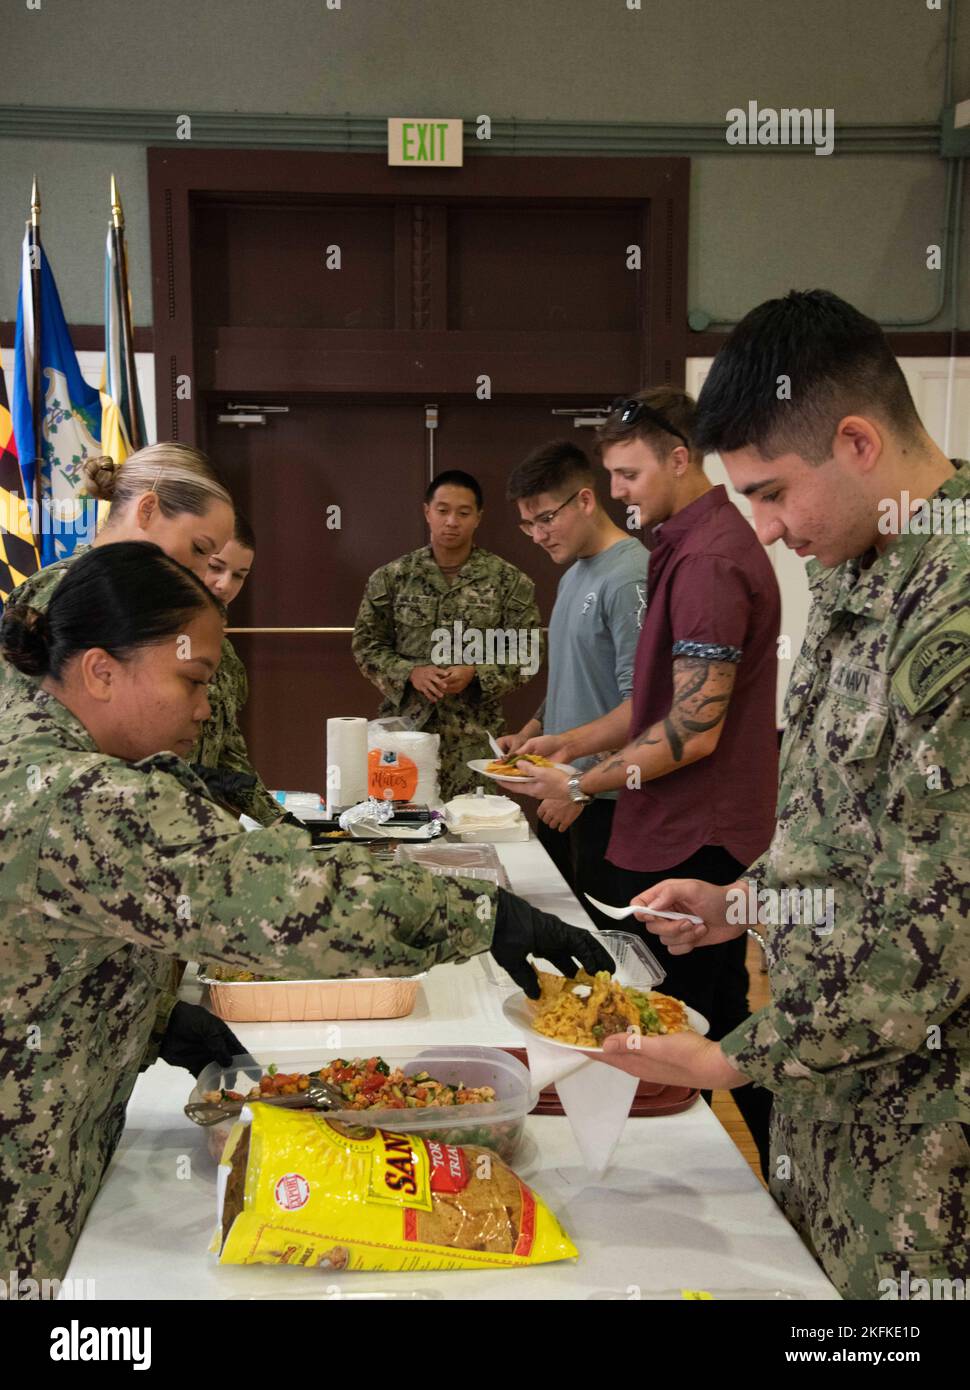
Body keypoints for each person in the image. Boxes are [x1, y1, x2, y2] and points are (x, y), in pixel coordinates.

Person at [0, 542, 610, 1282]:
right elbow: (293, 904)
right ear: (100, 670)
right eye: (191, 680)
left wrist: (150, 1015)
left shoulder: (35, 742)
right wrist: (486, 914)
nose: (202, 708)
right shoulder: (78, 796)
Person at [594, 290, 969, 1300]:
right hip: (830, 1109)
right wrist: (742, 904)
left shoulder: (954, 616)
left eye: (768, 492)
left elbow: (935, 934)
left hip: (925, 1145)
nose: (759, 529)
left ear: (854, 441)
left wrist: (730, 1054)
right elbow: (841, 829)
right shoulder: (860, 574)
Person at [511, 387, 780, 1174]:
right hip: (668, 821)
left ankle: (755, 1175)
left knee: (708, 1017)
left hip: (693, 831)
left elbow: (692, 731)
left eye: (629, 474)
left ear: (678, 457)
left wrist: (585, 785)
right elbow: (652, 706)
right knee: (697, 1011)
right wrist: (576, 752)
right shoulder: (681, 548)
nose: (619, 492)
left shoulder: (707, 561)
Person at [500, 439, 647, 929]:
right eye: (528, 523)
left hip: (606, 805)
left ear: (585, 500)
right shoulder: (573, 576)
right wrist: (531, 728)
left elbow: (646, 708)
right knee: (565, 940)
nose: (537, 535)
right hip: (562, 788)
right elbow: (575, 672)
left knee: (613, 956)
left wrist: (581, 786)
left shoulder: (628, 578)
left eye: (545, 518)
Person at [352, 470, 543, 801]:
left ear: (478, 518)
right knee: (400, 825)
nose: (451, 521)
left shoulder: (509, 582)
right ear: (427, 511)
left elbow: (527, 652)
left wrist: (476, 673)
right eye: (442, 510)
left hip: (473, 738)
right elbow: (366, 646)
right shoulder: (393, 578)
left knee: (472, 830)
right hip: (404, 734)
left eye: (463, 512)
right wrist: (410, 672)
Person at [193, 511, 281, 825]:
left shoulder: (225, 656)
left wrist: (281, 823)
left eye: (239, 575)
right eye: (215, 567)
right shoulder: (148, 640)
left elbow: (231, 756)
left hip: (200, 824)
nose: (224, 585)